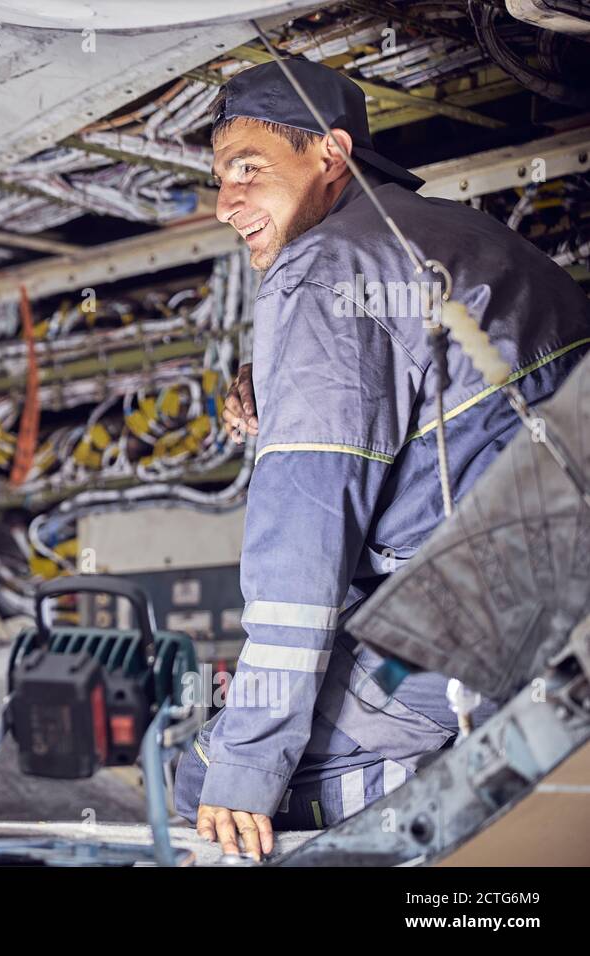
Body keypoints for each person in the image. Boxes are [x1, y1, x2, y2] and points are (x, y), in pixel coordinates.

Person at [173, 58, 590, 860]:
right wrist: (281, 392)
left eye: (247, 170)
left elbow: (301, 555)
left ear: (331, 155)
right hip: (548, 587)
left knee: (202, 778)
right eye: (221, 178)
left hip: (495, 620)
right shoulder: (462, 232)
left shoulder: (321, 269)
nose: (225, 206)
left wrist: (245, 766)